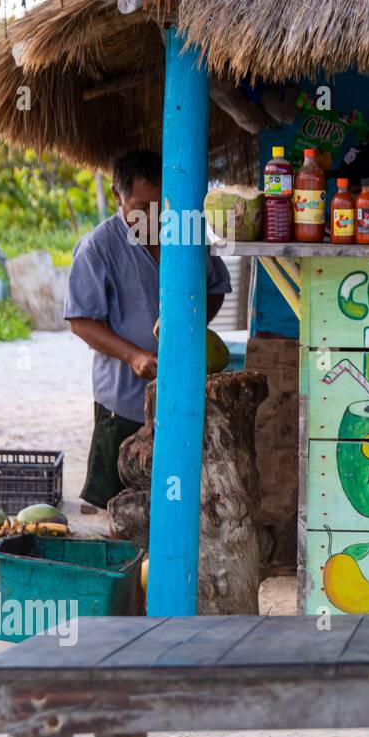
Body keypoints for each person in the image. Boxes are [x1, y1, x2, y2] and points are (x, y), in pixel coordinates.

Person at [65, 150, 232, 511]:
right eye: (140, 206)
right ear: (117, 196)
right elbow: (80, 320)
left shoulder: (187, 233)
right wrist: (133, 355)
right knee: (115, 505)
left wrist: (190, 329)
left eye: (160, 206)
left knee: (179, 499)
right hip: (123, 400)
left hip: (183, 391)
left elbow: (215, 287)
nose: (151, 217)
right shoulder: (97, 247)